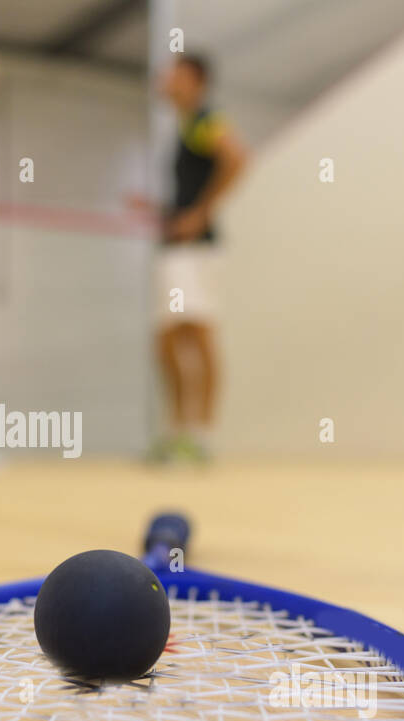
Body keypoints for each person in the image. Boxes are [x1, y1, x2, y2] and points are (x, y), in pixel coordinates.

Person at [153, 52, 248, 462]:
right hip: (180, 247)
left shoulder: (206, 119)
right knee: (172, 337)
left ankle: (200, 434)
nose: (166, 80)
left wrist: (200, 213)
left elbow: (238, 157)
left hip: (197, 250)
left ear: (195, 81)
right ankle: (182, 432)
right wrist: (165, 210)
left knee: (194, 333)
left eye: (174, 74)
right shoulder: (186, 127)